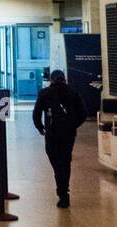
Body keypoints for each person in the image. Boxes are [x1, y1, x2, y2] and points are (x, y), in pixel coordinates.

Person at [32, 69, 87, 208]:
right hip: (68, 134)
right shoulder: (73, 92)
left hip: (52, 133)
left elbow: (36, 113)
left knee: (56, 161)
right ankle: (64, 191)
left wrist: (40, 127)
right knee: (65, 160)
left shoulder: (44, 93)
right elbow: (83, 113)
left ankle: (61, 189)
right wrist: (73, 125)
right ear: (64, 78)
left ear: (51, 79)